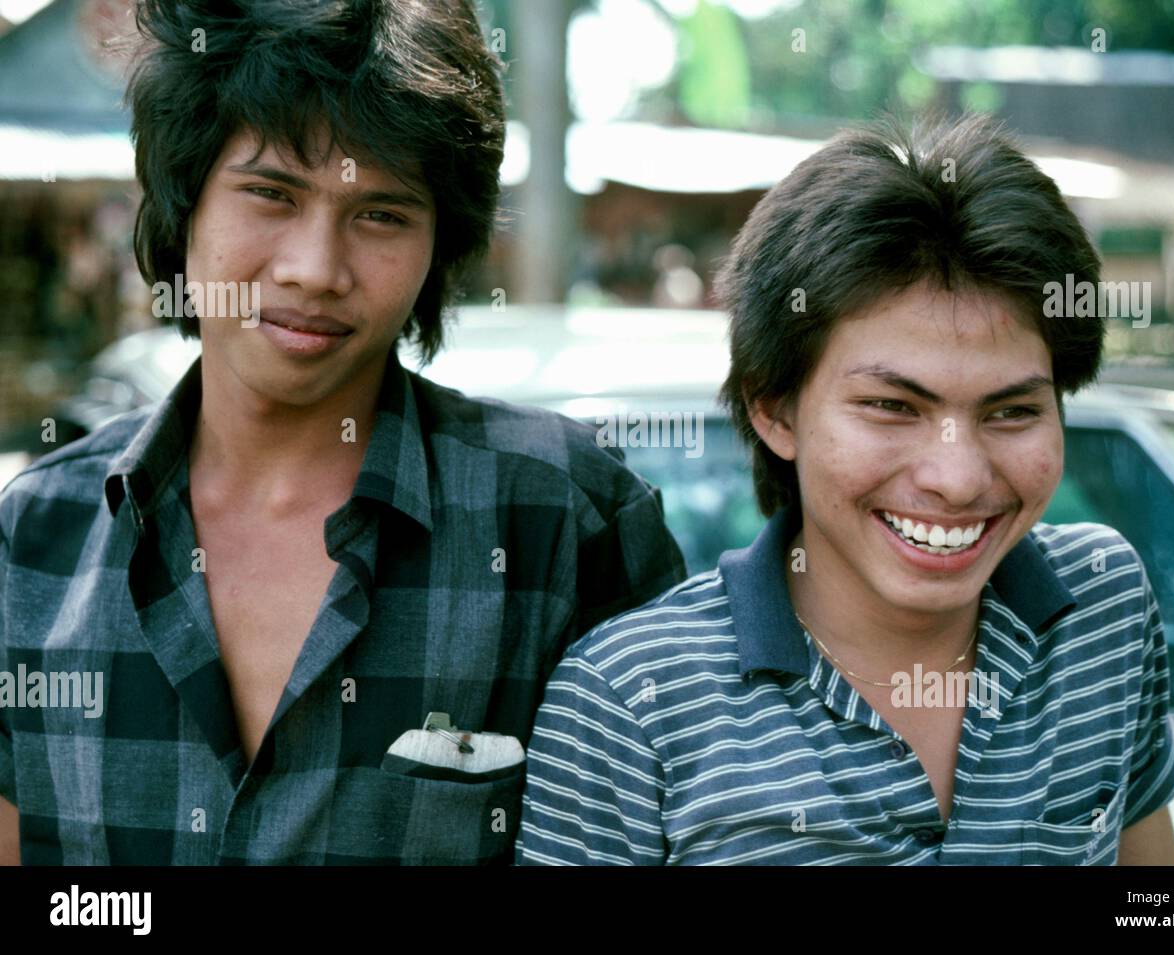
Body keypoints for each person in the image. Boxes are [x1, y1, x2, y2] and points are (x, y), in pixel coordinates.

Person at [0, 0, 685, 865]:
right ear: (185, 201)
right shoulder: (34, 538)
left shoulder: (565, 519)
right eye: (271, 194)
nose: (314, 269)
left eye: (381, 215)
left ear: (441, 244)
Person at [516, 113, 1174, 865]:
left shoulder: (1103, 610)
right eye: (893, 407)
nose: (957, 476)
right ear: (773, 406)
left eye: (1011, 411)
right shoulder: (630, 701)